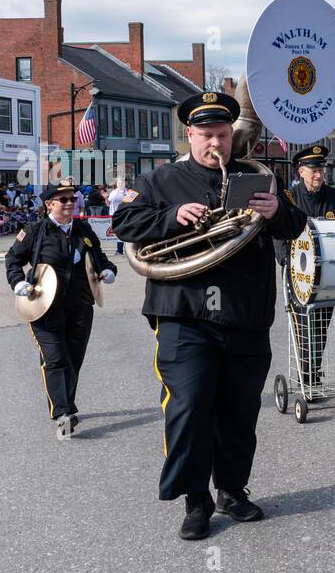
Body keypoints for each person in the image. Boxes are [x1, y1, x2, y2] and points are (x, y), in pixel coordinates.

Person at [112, 91, 307, 540]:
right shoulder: (160, 180)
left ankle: (232, 490)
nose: (215, 144)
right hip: (184, 314)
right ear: (190, 135)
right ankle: (194, 499)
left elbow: (294, 229)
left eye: (222, 134)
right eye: (206, 136)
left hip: (245, 314)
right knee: (190, 407)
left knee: (239, 411)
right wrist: (172, 216)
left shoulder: (258, 176)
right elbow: (123, 225)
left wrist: (278, 211)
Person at [5, 179, 116, 434]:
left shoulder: (83, 229)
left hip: (79, 306)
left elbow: (99, 258)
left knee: (73, 360)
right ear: (49, 204)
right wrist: (18, 282)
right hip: (44, 306)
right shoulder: (34, 231)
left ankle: (63, 403)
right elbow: (13, 259)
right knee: (55, 359)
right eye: (63, 199)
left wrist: (108, 271)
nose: (70, 203)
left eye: (73, 199)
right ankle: (63, 412)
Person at [281, 143, 335, 396]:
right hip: (299, 272)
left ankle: (313, 370)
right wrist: (283, 258)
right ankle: (308, 375)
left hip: (327, 272)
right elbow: (278, 232)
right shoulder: (289, 197)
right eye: (314, 170)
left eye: (321, 169)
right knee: (303, 321)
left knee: (321, 323)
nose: (319, 175)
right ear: (301, 171)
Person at [106, 176, 129, 255]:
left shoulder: (128, 192)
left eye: (122, 182)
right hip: (114, 215)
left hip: (124, 215)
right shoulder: (113, 192)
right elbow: (108, 203)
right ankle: (119, 250)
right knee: (117, 232)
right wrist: (105, 197)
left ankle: (122, 250)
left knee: (124, 232)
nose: (121, 184)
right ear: (117, 184)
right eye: (119, 182)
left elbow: (131, 204)